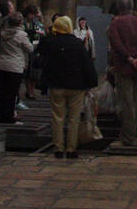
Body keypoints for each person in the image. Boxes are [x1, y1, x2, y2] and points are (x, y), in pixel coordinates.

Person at [42, 16, 98, 159]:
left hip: (56, 85)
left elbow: (44, 63)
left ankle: (58, 148)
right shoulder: (77, 44)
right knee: (74, 119)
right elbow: (87, 65)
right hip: (76, 86)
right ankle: (72, 148)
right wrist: (91, 83)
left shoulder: (51, 43)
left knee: (57, 118)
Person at [107, 0, 137, 147]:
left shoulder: (116, 23)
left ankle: (128, 137)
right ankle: (130, 133)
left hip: (125, 67)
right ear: (131, 7)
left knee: (126, 103)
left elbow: (117, 44)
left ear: (119, 8)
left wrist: (130, 59)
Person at [0, 13, 32, 124]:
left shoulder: (2, 33)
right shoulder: (21, 35)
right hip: (14, 66)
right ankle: (9, 116)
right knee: (12, 93)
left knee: (1, 91)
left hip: (1, 64)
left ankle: (0, 114)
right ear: (20, 23)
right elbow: (29, 49)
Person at [23, 5, 46, 100]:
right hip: (26, 48)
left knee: (35, 72)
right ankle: (29, 91)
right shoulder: (23, 23)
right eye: (31, 14)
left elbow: (42, 31)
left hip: (36, 48)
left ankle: (32, 89)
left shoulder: (36, 23)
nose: (32, 17)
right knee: (28, 72)